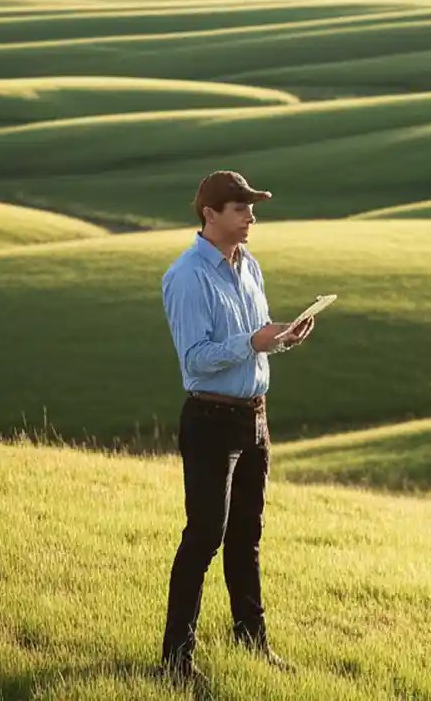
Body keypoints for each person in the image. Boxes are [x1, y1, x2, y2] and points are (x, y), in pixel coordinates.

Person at [159, 170, 314, 681]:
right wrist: (253, 342)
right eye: (240, 208)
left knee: (247, 536)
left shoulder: (250, 267)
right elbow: (196, 358)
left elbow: (253, 344)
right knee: (204, 536)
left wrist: (282, 338)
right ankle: (176, 660)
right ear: (210, 214)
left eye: (252, 208)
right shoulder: (187, 276)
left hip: (254, 418)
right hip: (210, 420)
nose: (251, 217)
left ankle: (253, 643)